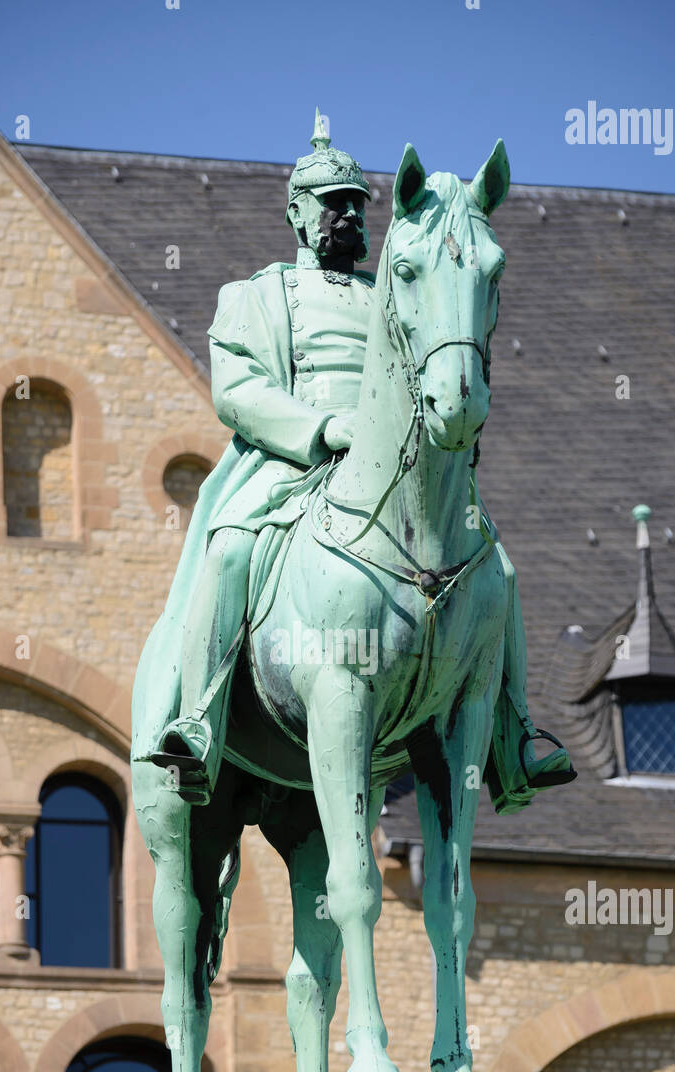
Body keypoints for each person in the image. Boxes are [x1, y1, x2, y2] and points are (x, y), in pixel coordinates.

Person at [133, 112, 574, 811]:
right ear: (296, 214)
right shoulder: (254, 296)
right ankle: (197, 720)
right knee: (229, 551)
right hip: (289, 463)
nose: (346, 216)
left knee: (496, 564)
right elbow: (239, 389)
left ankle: (514, 736)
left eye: (355, 204)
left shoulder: (389, 292)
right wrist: (320, 428)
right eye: (331, 204)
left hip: (392, 472)